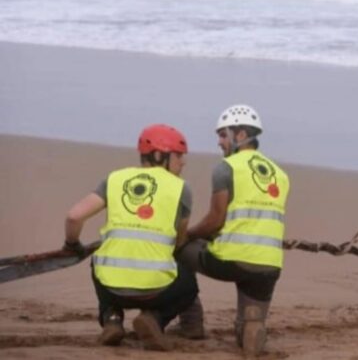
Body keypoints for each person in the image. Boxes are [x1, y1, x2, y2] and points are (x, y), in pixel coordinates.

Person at [63, 124, 199, 351]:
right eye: (178, 155)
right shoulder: (181, 189)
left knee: (99, 260)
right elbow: (179, 240)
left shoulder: (114, 179)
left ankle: (112, 319)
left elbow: (74, 216)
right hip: (155, 291)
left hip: (111, 288)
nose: (183, 162)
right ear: (159, 155)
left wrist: (72, 244)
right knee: (189, 286)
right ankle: (154, 319)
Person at [177, 104, 290, 357]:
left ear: (240, 135)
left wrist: (188, 235)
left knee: (178, 250)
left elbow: (215, 220)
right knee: (248, 322)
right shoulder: (280, 175)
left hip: (232, 260)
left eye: (222, 135)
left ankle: (190, 320)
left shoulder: (226, 167)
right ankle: (250, 326)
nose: (219, 142)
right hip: (269, 265)